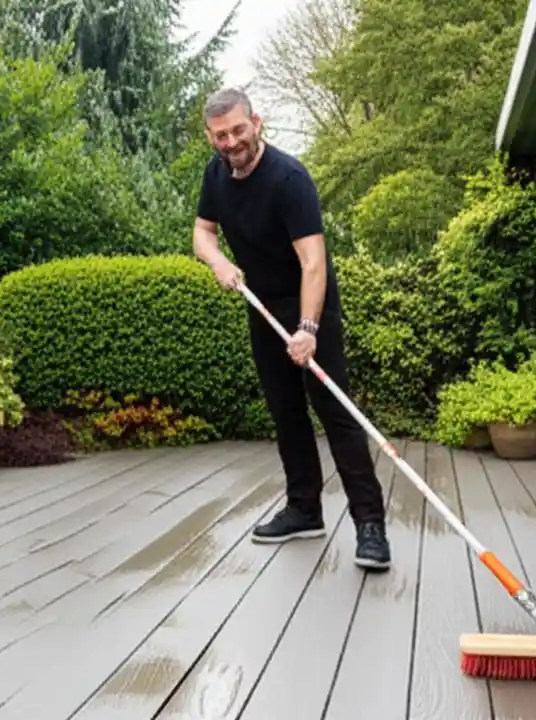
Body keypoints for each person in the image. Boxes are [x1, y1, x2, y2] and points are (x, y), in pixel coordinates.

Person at [192, 87, 390, 570]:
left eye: (239, 130)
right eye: (221, 135)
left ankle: (370, 525)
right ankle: (304, 510)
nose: (231, 141)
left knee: (336, 414)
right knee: (286, 413)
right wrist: (218, 262)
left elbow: (313, 263)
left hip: (308, 305)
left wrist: (307, 328)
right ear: (209, 136)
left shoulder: (288, 178)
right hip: (261, 308)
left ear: (256, 122)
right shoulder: (216, 174)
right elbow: (203, 232)